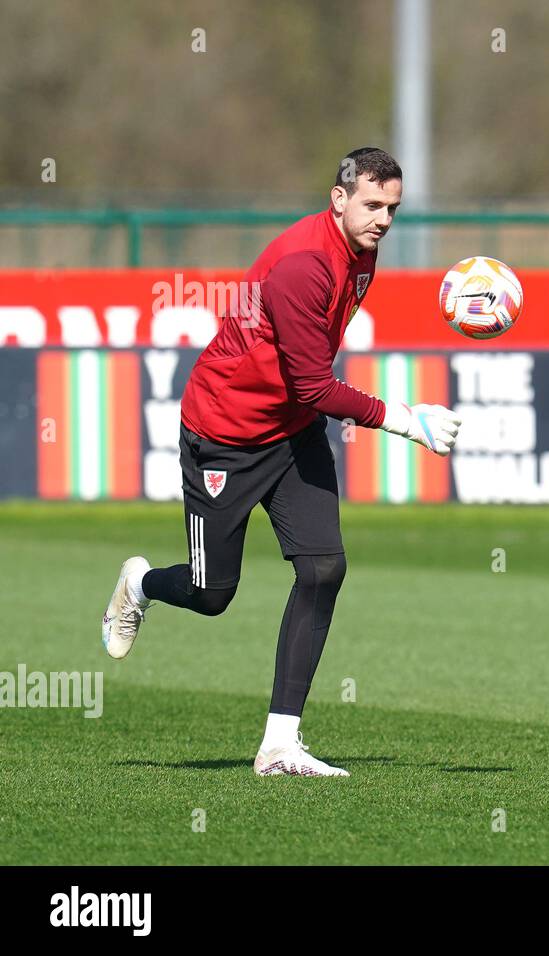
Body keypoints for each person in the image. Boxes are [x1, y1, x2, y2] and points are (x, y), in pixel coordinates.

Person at [100, 147, 462, 777]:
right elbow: (313, 387)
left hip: (292, 435)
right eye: (372, 205)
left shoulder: (362, 253)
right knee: (213, 596)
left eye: (394, 208)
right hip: (226, 436)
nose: (383, 220)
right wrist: (407, 421)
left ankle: (279, 745)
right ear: (339, 199)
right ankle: (139, 584)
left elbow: (305, 391)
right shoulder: (303, 266)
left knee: (324, 569)